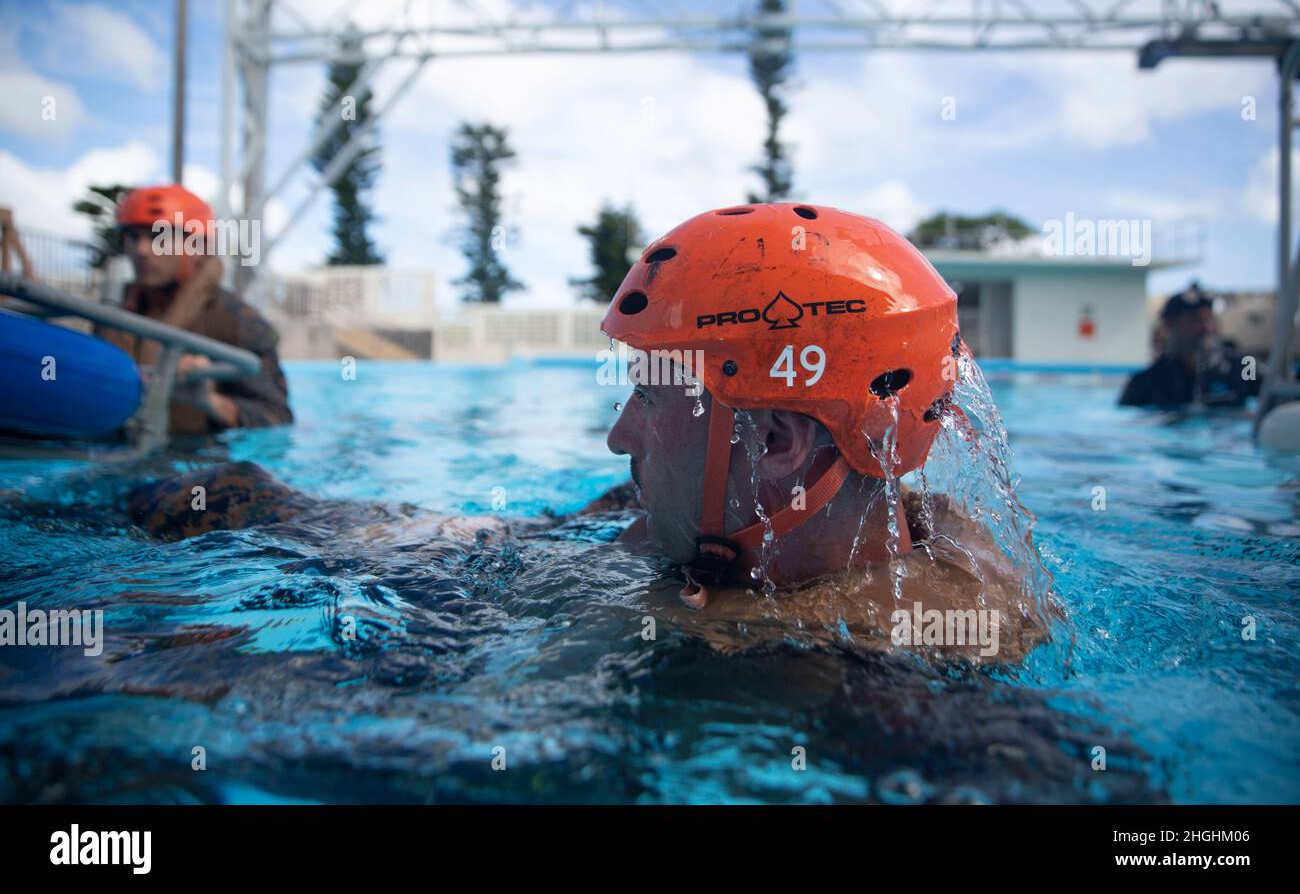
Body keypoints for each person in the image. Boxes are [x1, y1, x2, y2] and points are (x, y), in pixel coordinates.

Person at [127, 204, 1051, 661]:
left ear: (778, 446)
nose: (618, 434)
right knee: (241, 499)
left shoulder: (883, 673)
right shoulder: (861, 530)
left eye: (647, 396)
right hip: (537, 554)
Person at [98, 185, 293, 434]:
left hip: (198, 462)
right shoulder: (114, 310)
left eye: (160, 237)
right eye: (133, 237)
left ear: (195, 246)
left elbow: (278, 415)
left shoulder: (237, 319)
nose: (142, 250)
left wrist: (211, 402)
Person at [1119, 283, 1259, 408]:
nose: (1205, 327)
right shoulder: (1144, 384)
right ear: (1169, 324)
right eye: (1194, 320)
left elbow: (1273, 397)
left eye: (1209, 318)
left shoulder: (1243, 368)